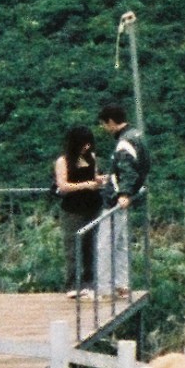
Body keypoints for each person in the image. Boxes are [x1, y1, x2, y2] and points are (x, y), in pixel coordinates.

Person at [92, 105, 143, 298]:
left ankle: (104, 289)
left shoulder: (124, 143)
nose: (105, 129)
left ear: (111, 122)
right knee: (120, 242)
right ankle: (122, 285)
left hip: (115, 199)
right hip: (123, 196)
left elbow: (128, 170)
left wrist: (124, 193)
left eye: (105, 125)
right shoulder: (136, 135)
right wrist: (111, 177)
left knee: (105, 243)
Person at [51, 124, 107, 296]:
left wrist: (99, 181)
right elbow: (63, 185)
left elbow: (94, 176)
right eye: (83, 143)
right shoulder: (63, 161)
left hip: (92, 206)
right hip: (73, 208)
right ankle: (72, 284)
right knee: (73, 247)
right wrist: (85, 185)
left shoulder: (91, 157)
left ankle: (89, 283)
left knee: (91, 247)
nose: (87, 147)